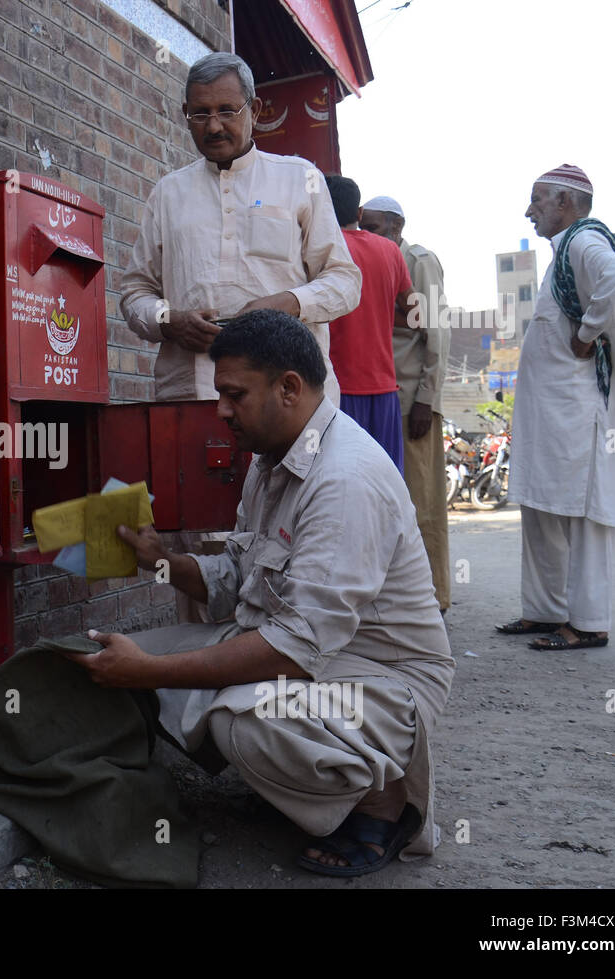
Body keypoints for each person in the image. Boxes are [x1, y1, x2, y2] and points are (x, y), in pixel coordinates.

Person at [62, 310, 455, 876]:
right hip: (310, 656)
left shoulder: (344, 480)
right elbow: (238, 580)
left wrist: (149, 670)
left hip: (384, 680)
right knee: (106, 664)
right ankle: (305, 789)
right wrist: (162, 565)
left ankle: (381, 803)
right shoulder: (273, 458)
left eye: (233, 394)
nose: (221, 409)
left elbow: (294, 647)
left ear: (289, 388)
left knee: (243, 719)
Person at [118, 52, 360, 406]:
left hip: (287, 395)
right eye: (200, 113)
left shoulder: (299, 178)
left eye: (227, 111)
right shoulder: (168, 193)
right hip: (193, 395)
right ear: (186, 114)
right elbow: (134, 292)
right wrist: (169, 321)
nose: (213, 126)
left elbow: (345, 281)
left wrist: (290, 302)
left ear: (255, 110)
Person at [498, 165, 615, 650]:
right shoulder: (566, 250)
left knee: (583, 514)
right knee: (541, 507)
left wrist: (587, 333)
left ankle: (587, 623)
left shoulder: (583, 242)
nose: (529, 210)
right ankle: (544, 610)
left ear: (565, 203)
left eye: (538, 200)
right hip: (552, 414)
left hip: (579, 413)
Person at [360, 195, 452, 612]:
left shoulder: (418, 260)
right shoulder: (370, 259)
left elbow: (437, 332)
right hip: (380, 398)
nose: (367, 233)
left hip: (412, 399)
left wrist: (426, 401)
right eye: (364, 225)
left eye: (376, 227)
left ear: (397, 228)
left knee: (421, 503)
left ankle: (435, 599)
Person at [323, 176, 412, 472]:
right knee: (387, 481)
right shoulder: (391, 251)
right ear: (358, 213)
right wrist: (381, 311)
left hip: (337, 389)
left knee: (339, 481)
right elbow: (416, 316)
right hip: (384, 390)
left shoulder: (319, 249)